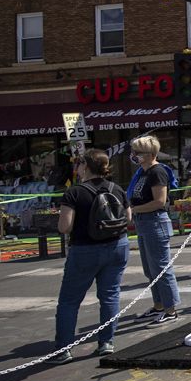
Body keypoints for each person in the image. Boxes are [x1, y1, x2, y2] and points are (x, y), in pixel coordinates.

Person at [50, 149, 130, 363]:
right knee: (110, 295)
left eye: (78, 164)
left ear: (85, 166)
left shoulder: (74, 193)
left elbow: (64, 227)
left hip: (84, 249)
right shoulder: (116, 188)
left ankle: (64, 349)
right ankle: (106, 342)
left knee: (69, 301)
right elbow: (127, 217)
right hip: (116, 245)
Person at [127, 136, 180, 324]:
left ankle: (171, 308)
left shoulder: (157, 172)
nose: (133, 155)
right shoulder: (142, 172)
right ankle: (159, 305)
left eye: (137, 152)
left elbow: (159, 202)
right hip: (144, 222)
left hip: (155, 222)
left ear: (150, 154)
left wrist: (134, 210)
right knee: (150, 269)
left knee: (162, 268)